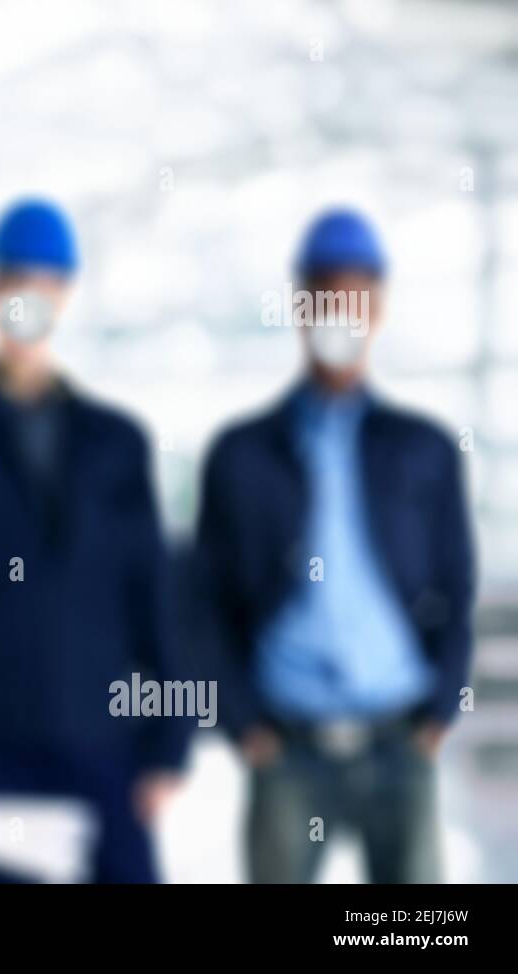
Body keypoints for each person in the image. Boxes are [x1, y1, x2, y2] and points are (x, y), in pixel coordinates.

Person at [0, 199, 191, 884]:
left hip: (109, 756)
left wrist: (168, 745)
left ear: (65, 293)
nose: (28, 298)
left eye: (44, 283)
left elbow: (154, 596)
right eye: (14, 281)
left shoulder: (117, 443)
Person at [192, 208, 476, 883]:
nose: (339, 315)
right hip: (286, 747)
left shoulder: (424, 450)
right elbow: (205, 603)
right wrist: (242, 724)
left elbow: (458, 586)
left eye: (354, 297)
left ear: (378, 309)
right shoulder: (242, 455)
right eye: (325, 296)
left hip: (400, 740)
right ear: (300, 306)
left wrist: (440, 711)